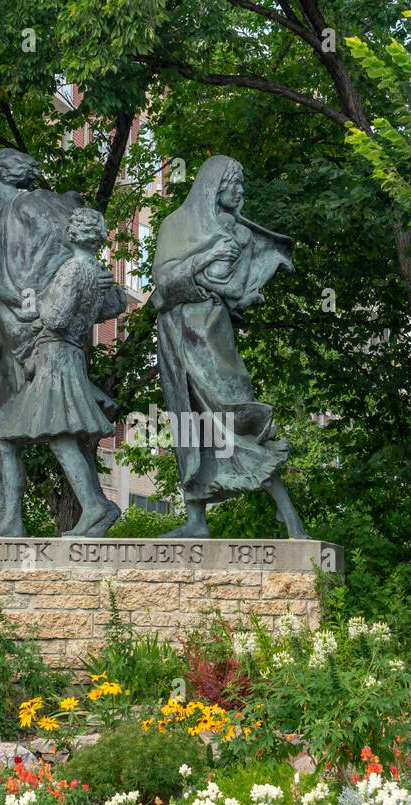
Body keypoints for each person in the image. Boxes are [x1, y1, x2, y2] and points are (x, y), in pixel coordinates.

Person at [148, 155, 307, 539]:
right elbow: (163, 286)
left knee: (232, 416)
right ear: (213, 187)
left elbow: (231, 290)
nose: (240, 193)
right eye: (233, 184)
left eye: (242, 185)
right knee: (189, 424)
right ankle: (196, 520)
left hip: (213, 336)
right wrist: (208, 257)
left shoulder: (238, 232)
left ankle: (290, 518)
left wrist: (243, 295)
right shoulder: (176, 225)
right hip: (177, 335)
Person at [0, 149, 81, 537]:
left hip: (26, 333)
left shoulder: (31, 204)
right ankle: (9, 516)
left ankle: (19, 518)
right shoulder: (0, 220)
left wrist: (30, 310)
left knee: (41, 427)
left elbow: (60, 253)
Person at [0, 207, 122, 536]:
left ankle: (94, 506)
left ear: (73, 234)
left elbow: (55, 318)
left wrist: (39, 302)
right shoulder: (95, 270)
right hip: (66, 356)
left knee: (52, 437)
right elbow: (114, 306)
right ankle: (91, 507)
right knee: (41, 438)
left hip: (55, 356)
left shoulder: (72, 269)